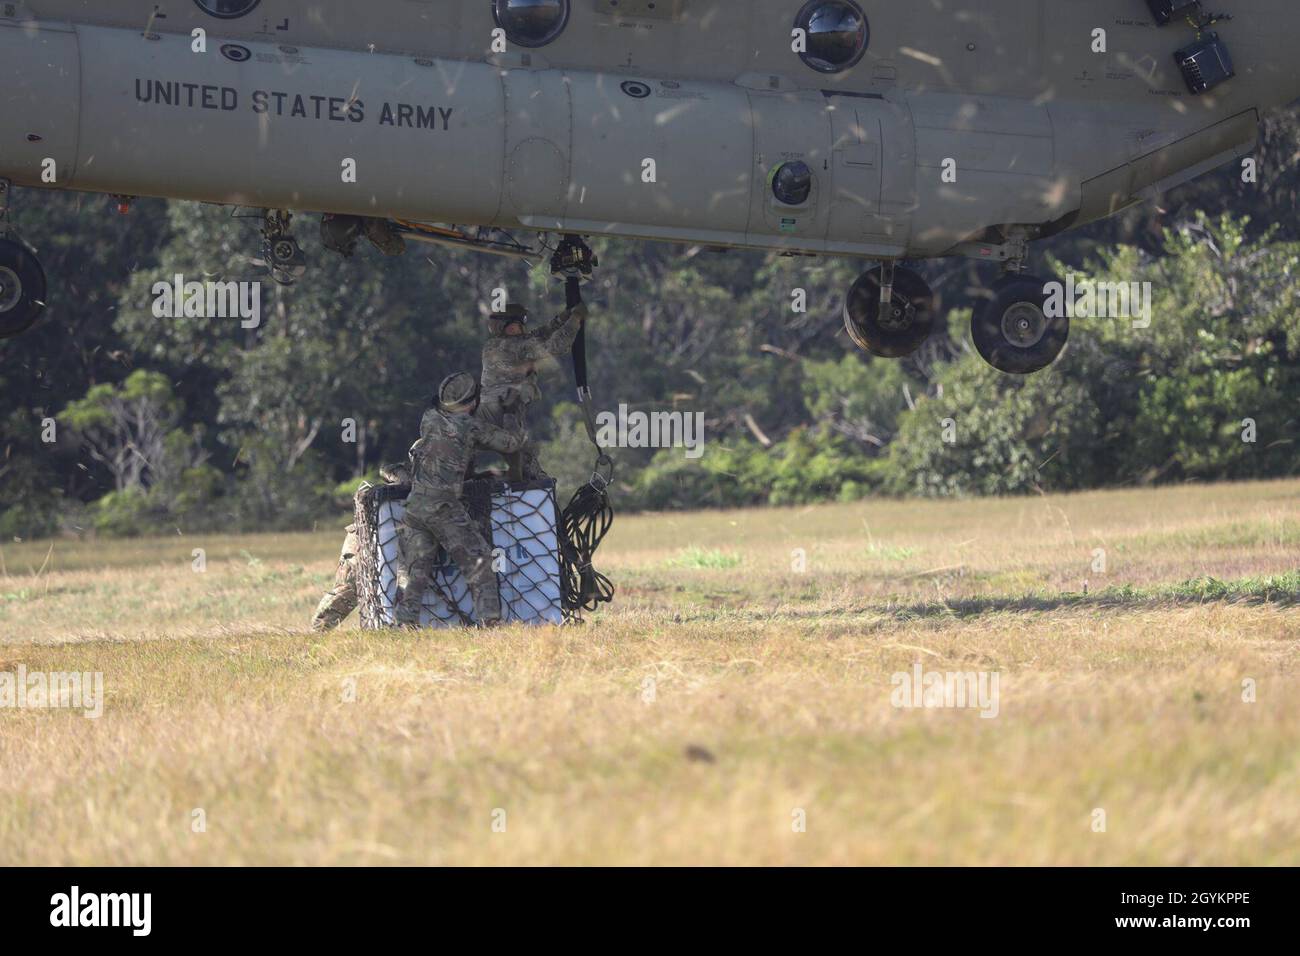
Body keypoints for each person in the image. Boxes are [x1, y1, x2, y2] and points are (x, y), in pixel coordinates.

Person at [396, 372, 527, 627]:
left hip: (416, 506)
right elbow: (512, 443)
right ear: (473, 401)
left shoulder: (429, 418)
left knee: (416, 572)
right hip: (444, 508)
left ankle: (405, 622)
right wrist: (511, 412)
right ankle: (490, 620)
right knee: (480, 562)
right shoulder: (470, 427)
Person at [478, 237, 595, 481]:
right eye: (520, 323)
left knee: (523, 455)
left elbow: (537, 334)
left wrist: (562, 317)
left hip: (486, 411)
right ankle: (534, 496)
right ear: (510, 327)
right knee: (524, 463)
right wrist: (575, 320)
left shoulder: (495, 345)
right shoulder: (517, 346)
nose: (524, 327)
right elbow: (556, 346)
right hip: (505, 412)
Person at [311, 461, 410, 632]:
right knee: (350, 587)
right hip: (366, 535)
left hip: (400, 537)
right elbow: (388, 470)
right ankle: (319, 630)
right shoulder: (407, 472)